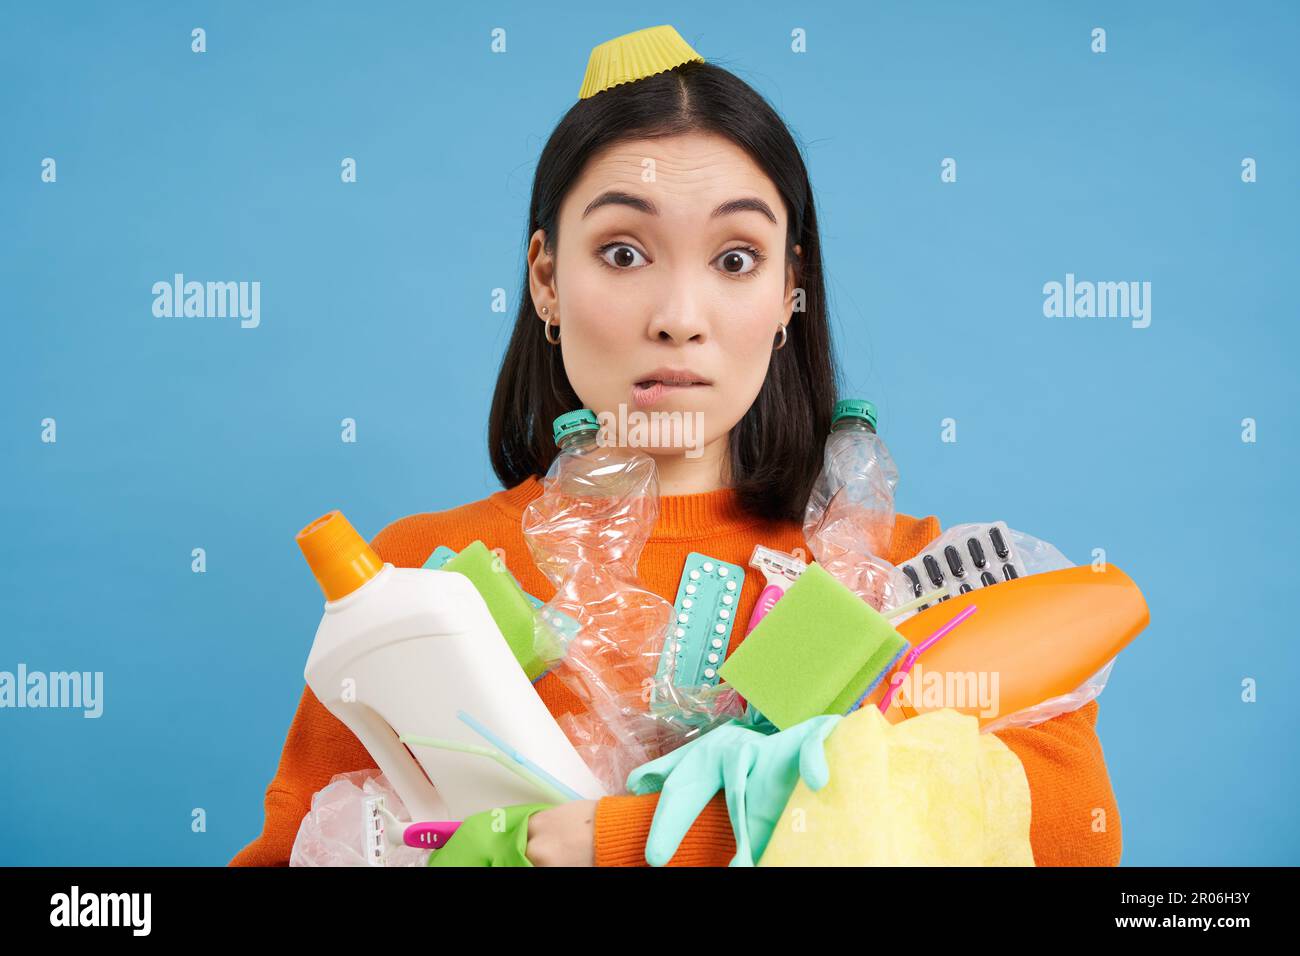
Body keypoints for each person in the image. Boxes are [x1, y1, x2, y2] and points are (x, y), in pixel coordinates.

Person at [230, 26, 1122, 867]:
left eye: (735, 259)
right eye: (623, 253)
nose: (678, 318)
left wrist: (633, 838)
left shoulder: (902, 580)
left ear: (788, 294)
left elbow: (1069, 832)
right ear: (546, 278)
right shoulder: (416, 584)